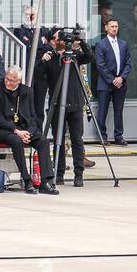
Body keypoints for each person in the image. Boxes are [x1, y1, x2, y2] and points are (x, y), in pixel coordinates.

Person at [0, 66, 57, 195]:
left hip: (24, 129)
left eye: (11, 80)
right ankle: (27, 180)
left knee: (43, 141)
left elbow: (33, 116)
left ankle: (45, 182)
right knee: (16, 141)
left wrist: (29, 133)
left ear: (19, 81)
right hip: (5, 130)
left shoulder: (27, 91)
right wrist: (17, 132)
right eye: (7, 79)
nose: (8, 82)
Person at [42, 28, 93, 187]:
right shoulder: (51, 57)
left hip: (76, 102)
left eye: (64, 38)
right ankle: (59, 172)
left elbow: (90, 57)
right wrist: (43, 60)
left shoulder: (76, 56)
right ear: (54, 41)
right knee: (58, 139)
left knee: (77, 140)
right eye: (59, 38)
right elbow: (39, 74)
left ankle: (79, 174)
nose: (62, 41)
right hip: (57, 104)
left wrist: (81, 41)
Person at [93, 16, 130, 145]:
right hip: (106, 83)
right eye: (112, 26)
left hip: (121, 83)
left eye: (116, 26)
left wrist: (121, 78)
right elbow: (100, 65)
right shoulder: (101, 44)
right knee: (102, 110)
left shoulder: (123, 44)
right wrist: (112, 79)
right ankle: (102, 136)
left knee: (118, 110)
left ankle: (118, 136)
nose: (114, 29)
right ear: (106, 28)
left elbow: (128, 64)